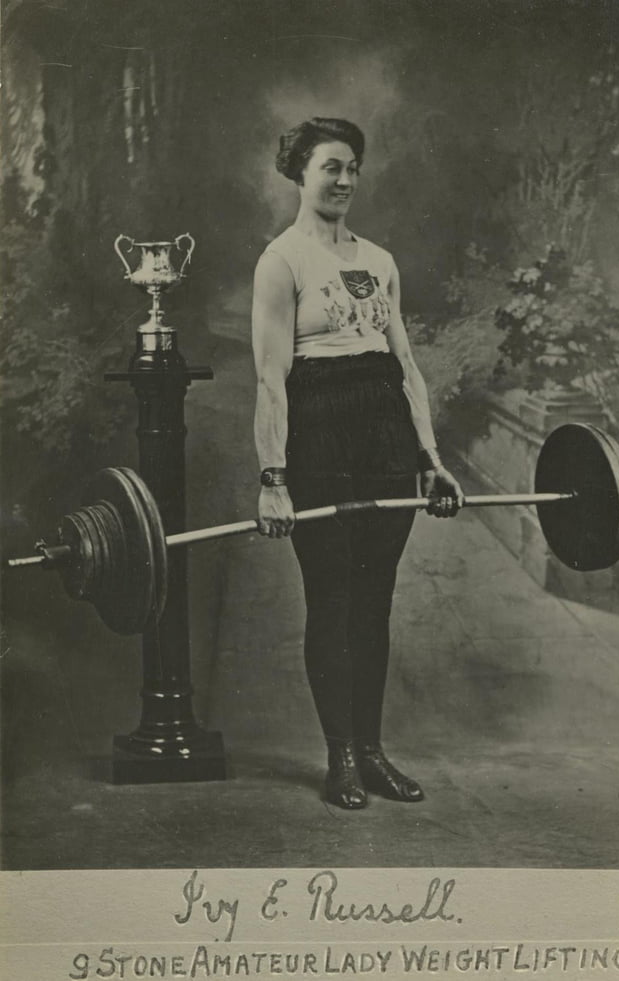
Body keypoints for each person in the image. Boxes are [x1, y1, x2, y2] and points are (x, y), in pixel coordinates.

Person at [251, 117, 464, 810]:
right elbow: (270, 376)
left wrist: (430, 458)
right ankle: (340, 754)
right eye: (330, 167)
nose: (344, 180)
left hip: (385, 439)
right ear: (300, 173)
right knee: (333, 598)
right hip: (319, 436)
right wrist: (273, 476)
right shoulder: (281, 261)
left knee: (375, 602)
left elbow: (405, 364)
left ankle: (372, 753)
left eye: (352, 168)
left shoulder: (380, 259)